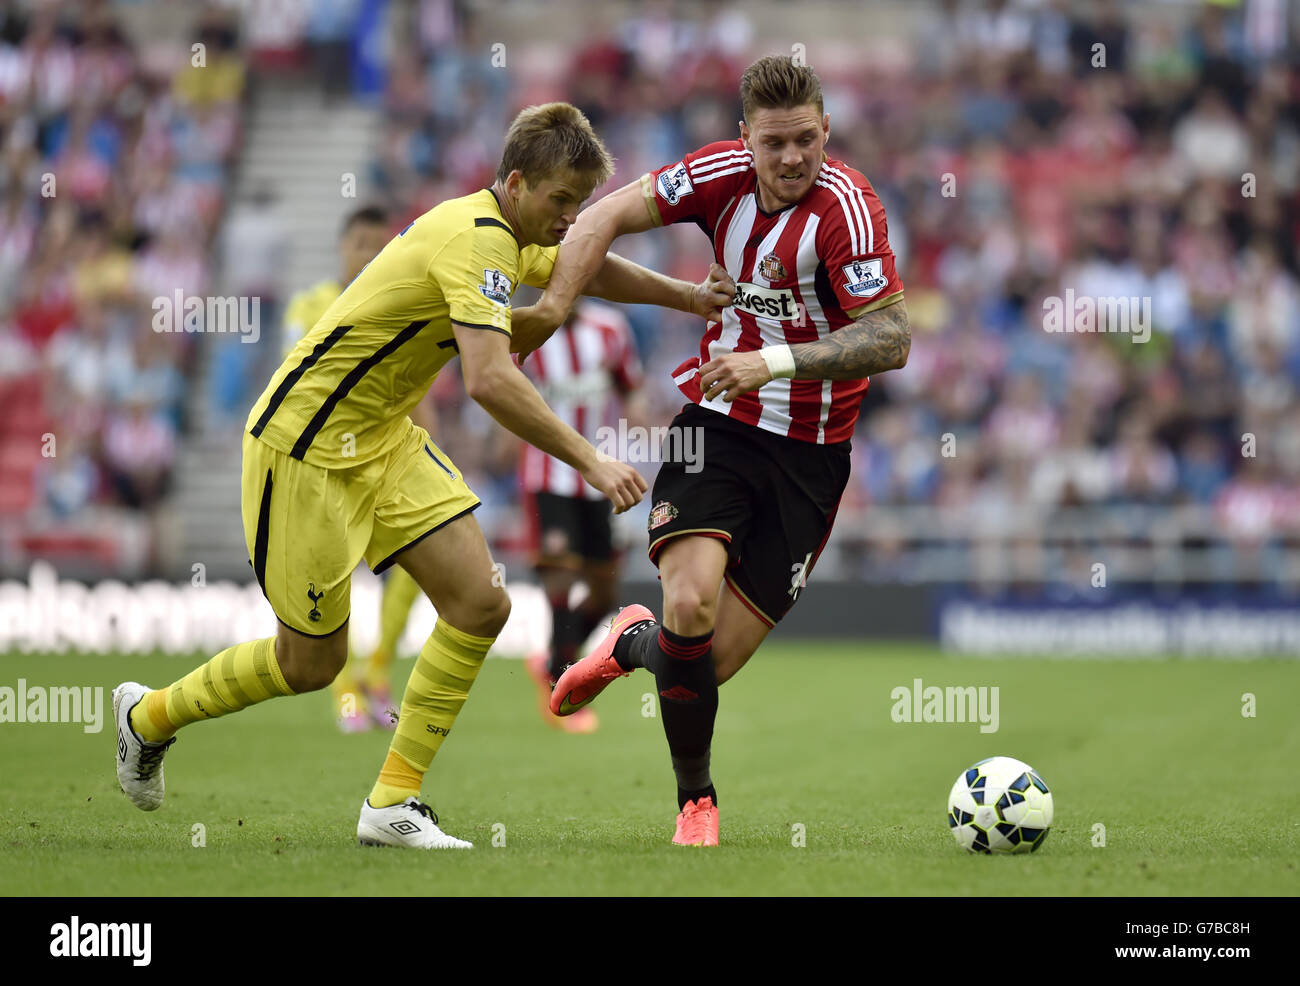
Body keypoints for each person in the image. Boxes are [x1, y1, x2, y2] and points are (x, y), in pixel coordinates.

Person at [112, 102, 736, 850]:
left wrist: (688, 296)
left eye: (579, 203)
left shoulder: (505, 231)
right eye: (561, 201)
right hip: (304, 444)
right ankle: (146, 718)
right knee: (310, 663)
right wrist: (591, 459)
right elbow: (488, 380)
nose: (571, 219)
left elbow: (587, 268)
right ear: (514, 183)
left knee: (480, 603)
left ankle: (392, 803)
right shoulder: (475, 242)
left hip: (382, 438)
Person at [534, 56, 912, 846]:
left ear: (826, 131)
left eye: (806, 140)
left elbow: (892, 336)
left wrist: (772, 360)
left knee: (702, 663)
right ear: (745, 138)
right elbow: (599, 217)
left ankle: (628, 642)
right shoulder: (716, 175)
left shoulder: (849, 210)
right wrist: (550, 311)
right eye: (773, 143)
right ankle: (696, 802)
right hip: (721, 426)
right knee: (692, 605)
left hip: (811, 458)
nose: (790, 159)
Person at [279, 203, 423, 733]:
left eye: (378, 244)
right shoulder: (310, 305)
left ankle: (377, 675)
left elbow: (409, 380)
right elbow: (291, 375)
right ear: (341, 247)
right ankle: (346, 700)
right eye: (360, 243)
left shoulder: (394, 303)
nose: (369, 253)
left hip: (381, 456)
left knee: (413, 563)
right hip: (322, 460)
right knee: (332, 580)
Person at [520, 300, 645, 733]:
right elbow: (506, 390)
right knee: (560, 570)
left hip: (603, 474)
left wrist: (638, 437)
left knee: (604, 589)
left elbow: (632, 387)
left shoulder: (611, 328)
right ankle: (559, 679)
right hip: (547, 474)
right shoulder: (527, 332)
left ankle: (556, 661)